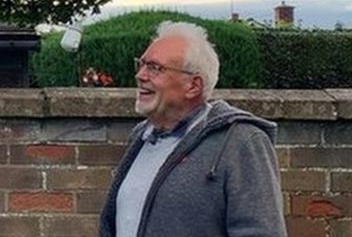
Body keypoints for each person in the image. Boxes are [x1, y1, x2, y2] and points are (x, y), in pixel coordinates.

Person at [99, 21, 287, 237]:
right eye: (141, 64)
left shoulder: (241, 140)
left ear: (193, 86)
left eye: (154, 68)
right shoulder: (141, 137)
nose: (140, 75)